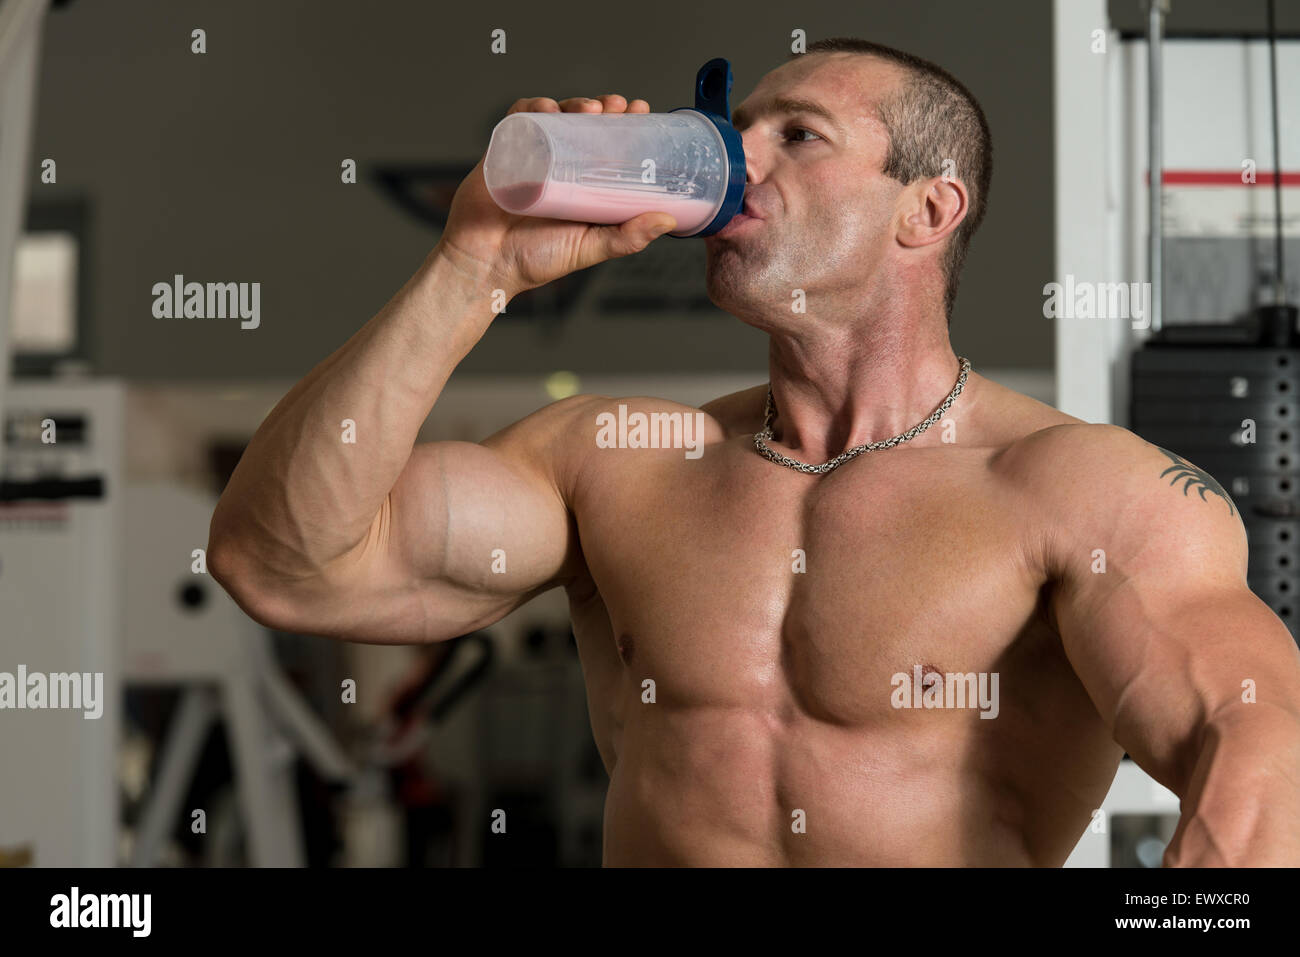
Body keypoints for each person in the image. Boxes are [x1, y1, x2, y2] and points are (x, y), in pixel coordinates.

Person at [209, 38, 1300, 866]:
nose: (737, 159)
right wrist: (471, 269)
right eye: (739, 130)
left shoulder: (1074, 489)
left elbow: (1257, 742)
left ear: (927, 209)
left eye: (798, 135)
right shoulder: (614, 462)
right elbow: (281, 563)